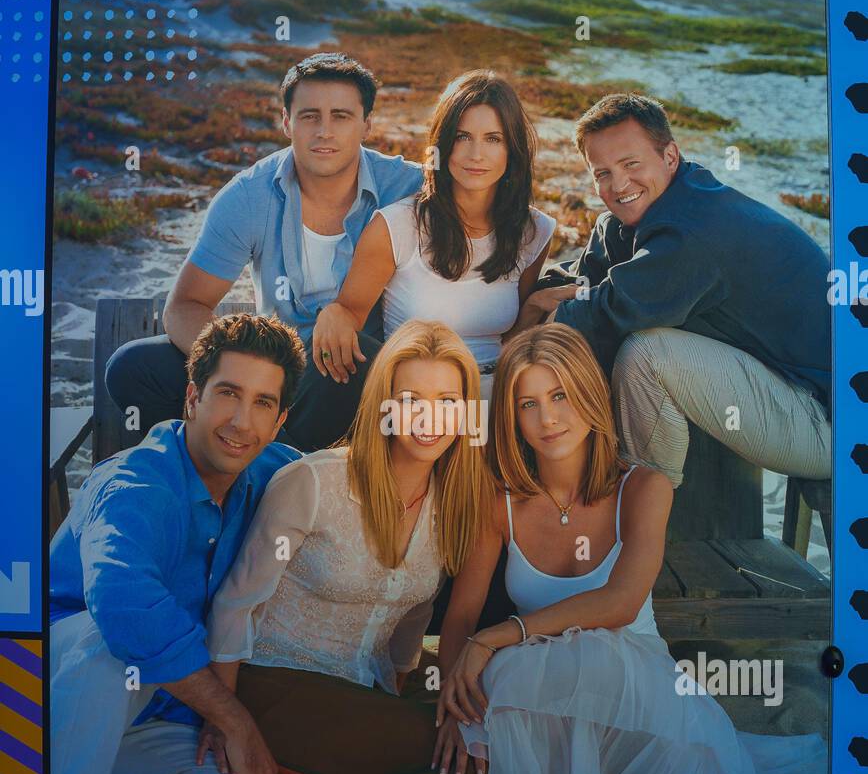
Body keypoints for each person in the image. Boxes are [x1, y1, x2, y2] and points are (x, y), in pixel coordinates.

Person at [203, 320, 587, 774]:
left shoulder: (453, 503)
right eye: (411, 402)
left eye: (446, 403)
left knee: (513, 736)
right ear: (384, 406)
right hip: (272, 686)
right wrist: (226, 722)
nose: (428, 419)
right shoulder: (314, 484)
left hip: (368, 691)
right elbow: (234, 605)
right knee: (486, 771)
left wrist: (425, 701)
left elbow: (412, 629)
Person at [442, 324, 827, 774]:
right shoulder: (500, 502)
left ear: (592, 398)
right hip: (544, 702)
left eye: (562, 395)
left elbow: (619, 605)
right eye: (529, 403)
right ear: (511, 417)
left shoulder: (643, 485)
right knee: (499, 681)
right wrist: (452, 702)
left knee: (569, 652)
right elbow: (458, 618)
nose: (548, 418)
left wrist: (500, 636)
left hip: (634, 693)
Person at [49, 314, 306, 774]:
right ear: (192, 396)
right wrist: (232, 716)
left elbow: (347, 485)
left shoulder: (274, 475)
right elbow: (123, 603)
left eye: (264, 403)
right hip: (51, 697)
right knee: (108, 646)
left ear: (281, 419)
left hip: (152, 720)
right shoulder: (136, 484)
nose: (242, 422)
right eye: (228, 394)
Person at [103, 52, 423, 451]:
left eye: (341, 116)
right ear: (286, 122)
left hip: (360, 380)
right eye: (309, 116)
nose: (324, 131)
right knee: (134, 367)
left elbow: (492, 218)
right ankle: (271, 471)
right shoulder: (248, 196)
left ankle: (250, 475)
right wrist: (243, 369)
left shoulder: (409, 188)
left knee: (352, 361)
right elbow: (184, 307)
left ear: (366, 124)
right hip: (277, 366)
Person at [515, 93, 831, 491]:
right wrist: (540, 297)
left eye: (631, 164)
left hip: (826, 418)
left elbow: (602, 315)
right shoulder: (641, 215)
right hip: (775, 384)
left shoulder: (696, 229)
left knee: (646, 355)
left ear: (670, 156)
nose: (618, 185)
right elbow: (581, 281)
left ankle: (640, 514)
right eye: (602, 173)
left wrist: (526, 325)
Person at [310, 70, 556, 431]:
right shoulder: (396, 226)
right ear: (443, 144)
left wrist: (533, 308)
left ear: (512, 150)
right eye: (462, 137)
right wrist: (334, 312)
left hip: (496, 396)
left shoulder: (536, 231)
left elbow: (509, 342)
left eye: (493, 139)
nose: (476, 154)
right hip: (414, 403)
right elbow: (351, 314)